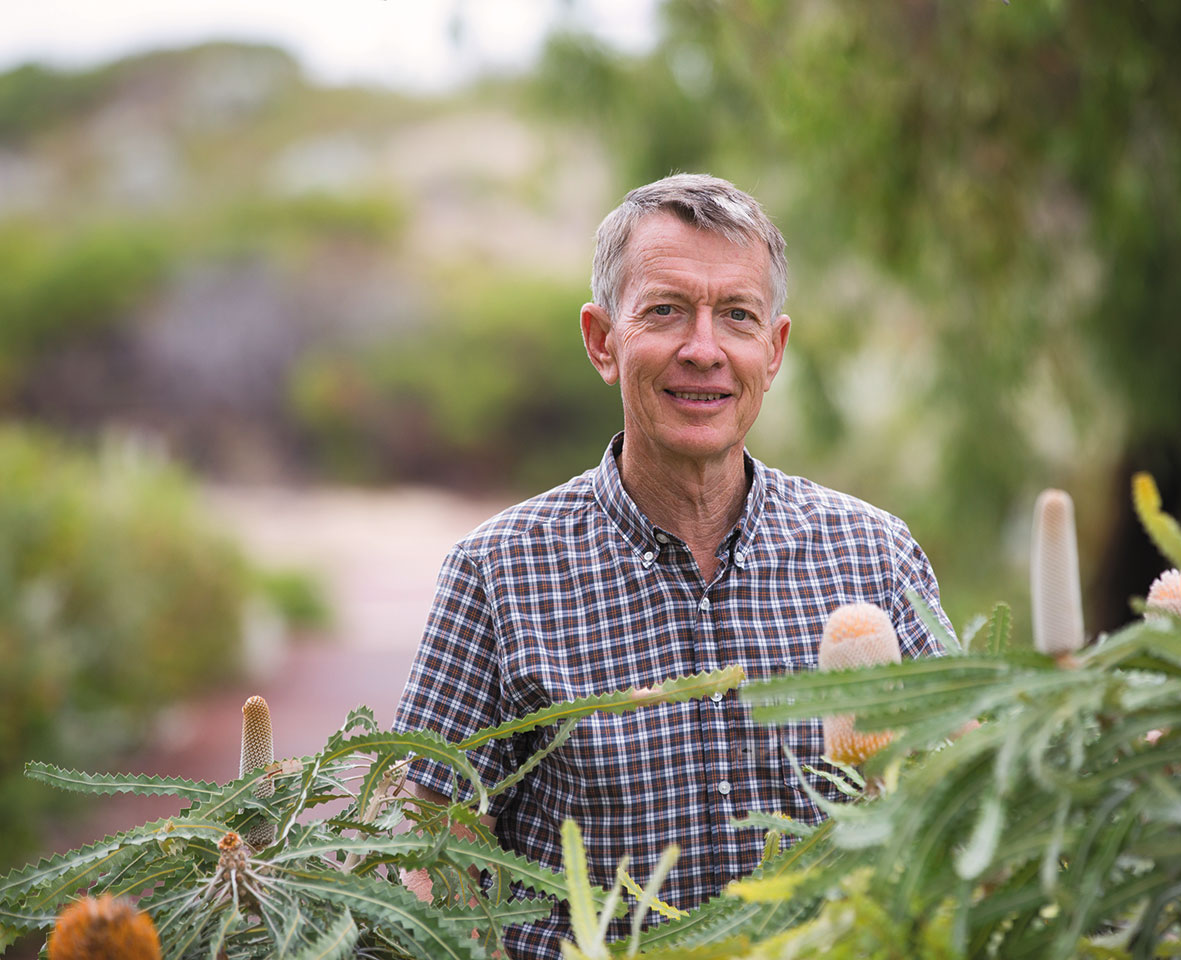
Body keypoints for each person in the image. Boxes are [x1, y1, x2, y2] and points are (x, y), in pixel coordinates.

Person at [392, 173, 951, 959]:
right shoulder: (498, 575)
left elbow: (964, 792)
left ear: (773, 350)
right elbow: (431, 858)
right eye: (665, 311)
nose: (704, 349)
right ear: (602, 341)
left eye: (737, 316)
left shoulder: (874, 556)